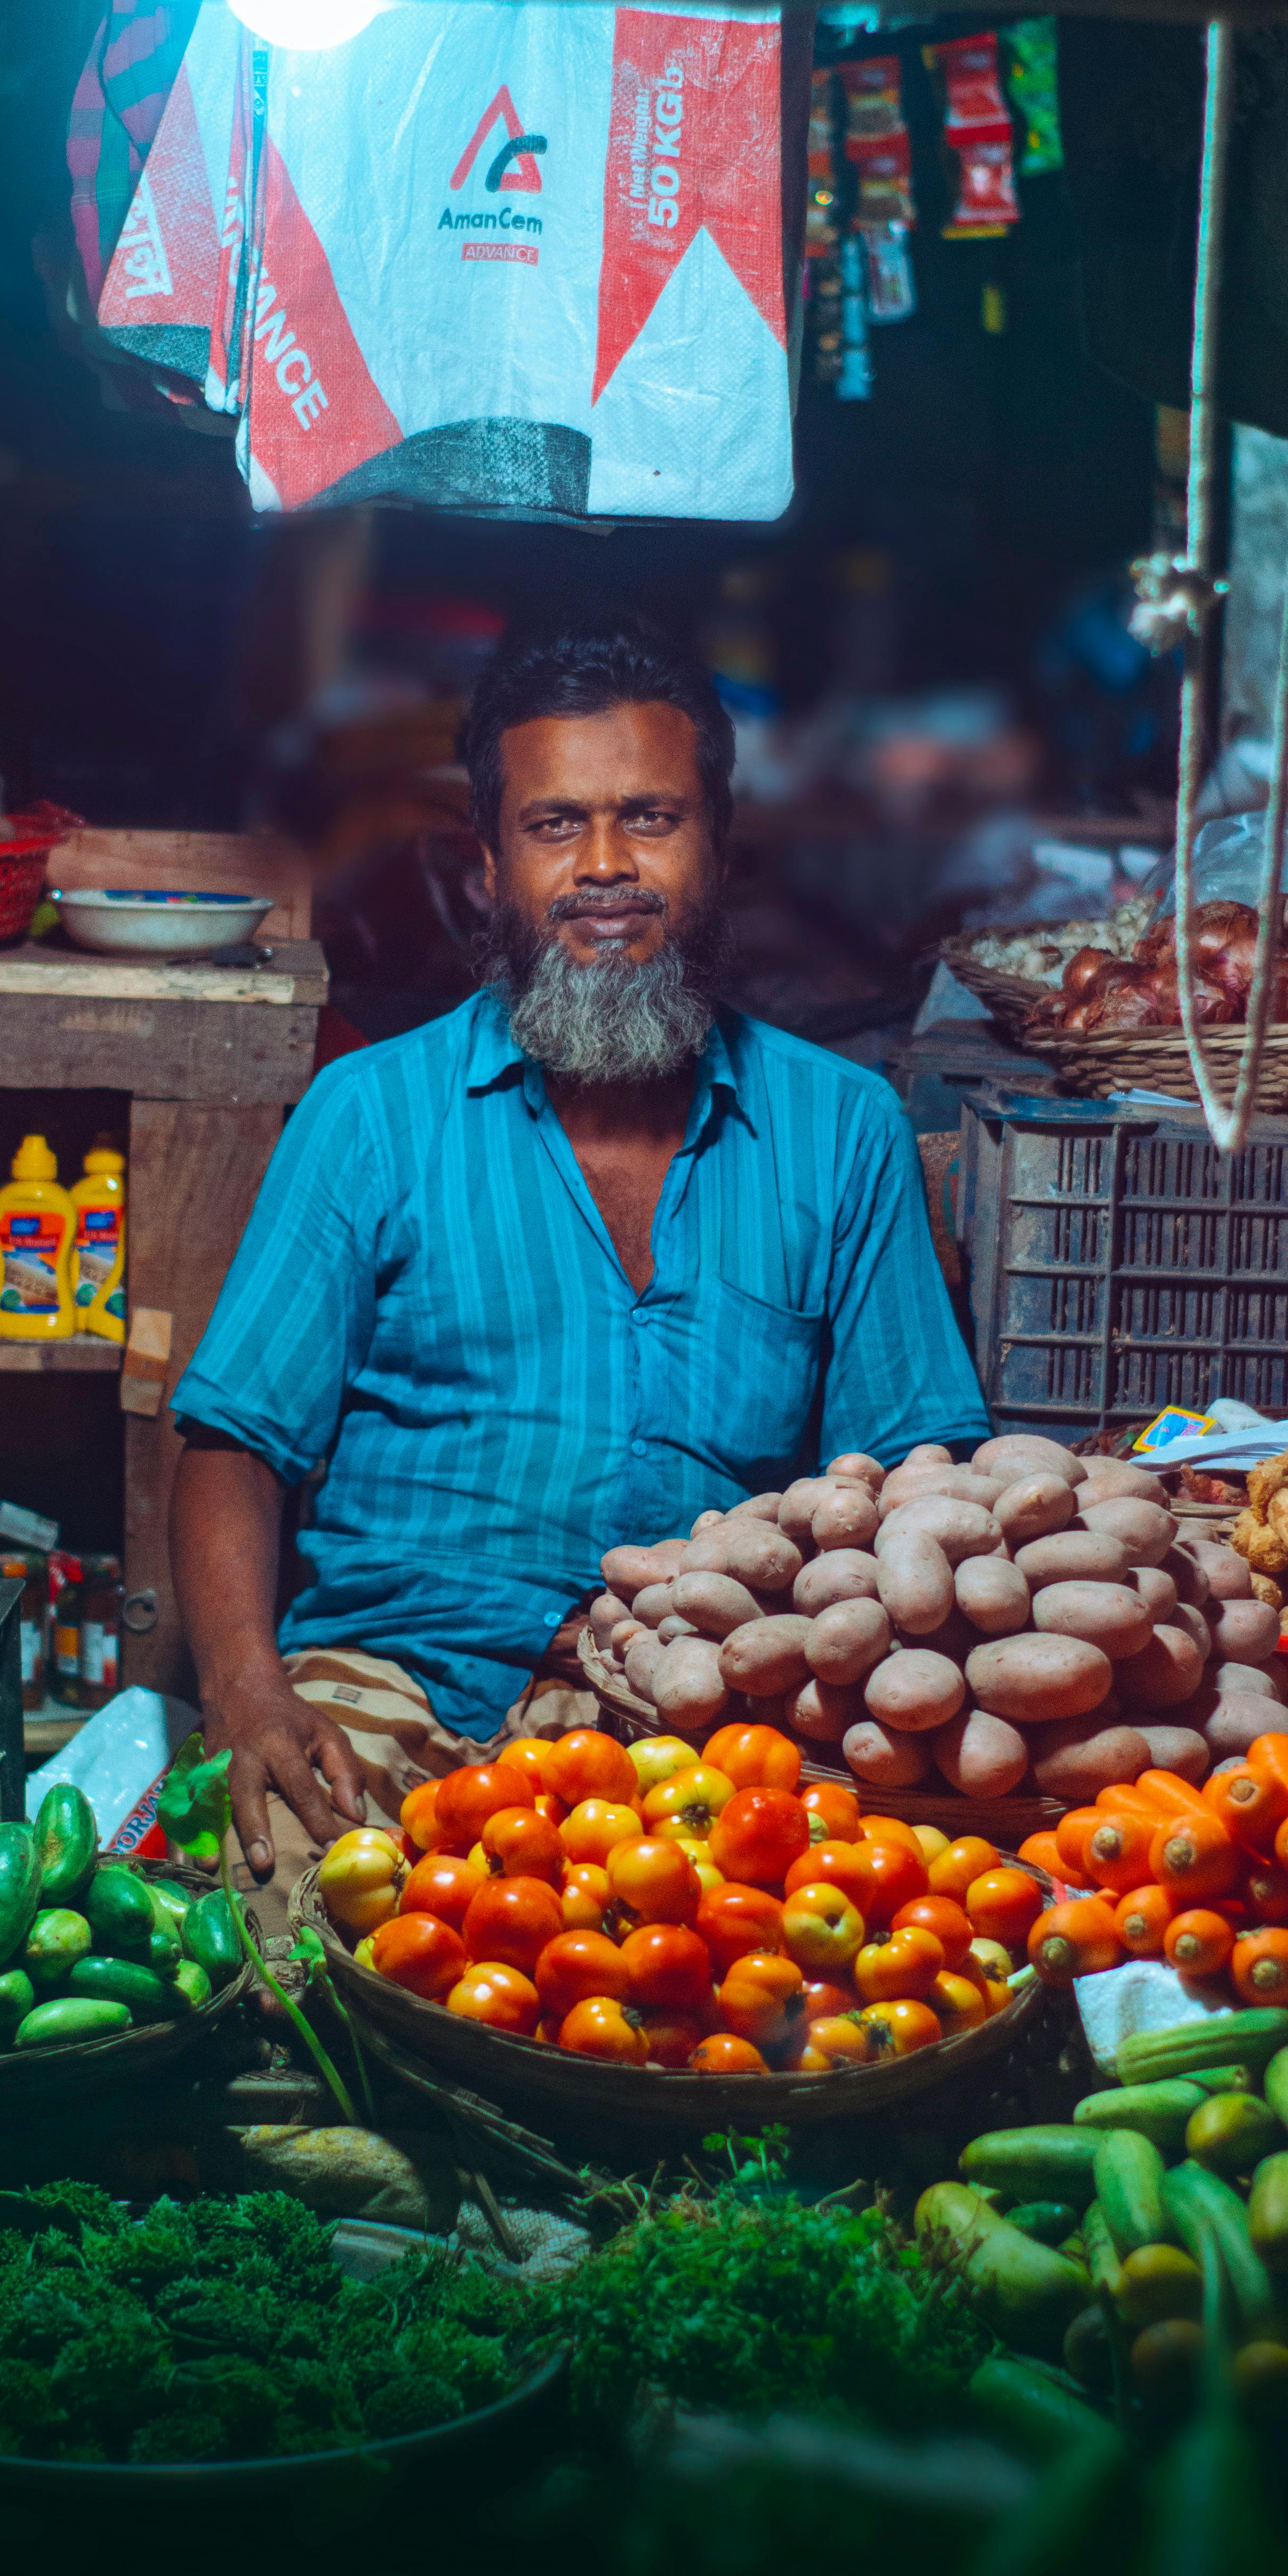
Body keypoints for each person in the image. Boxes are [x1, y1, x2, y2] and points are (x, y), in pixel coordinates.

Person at [169, 606, 988, 1898]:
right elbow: (231, 1446)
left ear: (718, 849)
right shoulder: (370, 1115)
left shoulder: (842, 1131)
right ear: (488, 869)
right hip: (399, 1678)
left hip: (710, 1704)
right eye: (556, 825)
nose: (604, 866)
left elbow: (915, 1474)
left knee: (768, 1989)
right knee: (285, 1936)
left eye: (650, 818)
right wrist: (246, 1696)